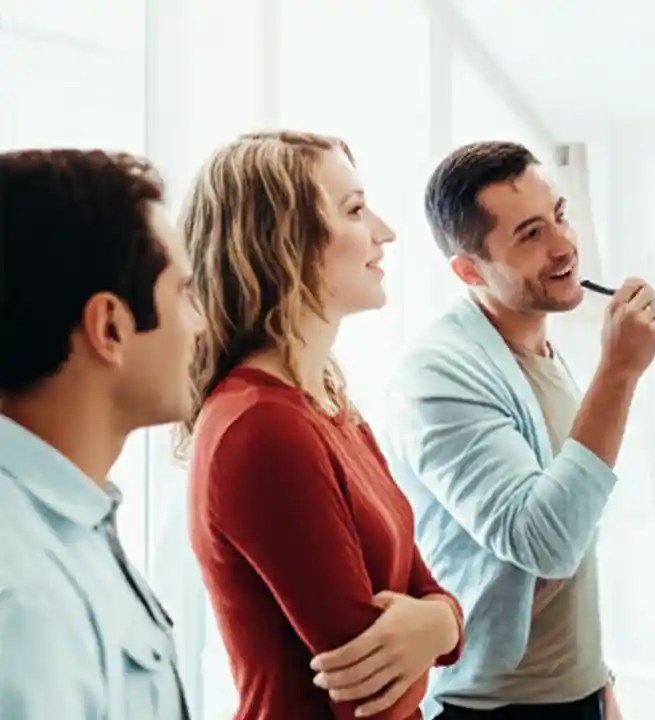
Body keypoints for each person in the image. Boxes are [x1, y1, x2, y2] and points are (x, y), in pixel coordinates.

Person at [181, 130, 464, 720]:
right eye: (355, 210)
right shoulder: (262, 429)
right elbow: (371, 694)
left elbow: (430, 593)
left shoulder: (330, 406)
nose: (384, 233)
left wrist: (440, 625)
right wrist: (436, 629)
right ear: (283, 241)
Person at [380, 141, 655, 720]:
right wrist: (619, 371)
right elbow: (545, 542)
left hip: (574, 694)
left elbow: (577, 524)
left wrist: (595, 678)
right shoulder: (438, 372)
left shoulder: (545, 351)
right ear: (468, 269)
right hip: (493, 708)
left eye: (559, 215)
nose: (564, 245)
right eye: (530, 235)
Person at [0, 149, 199, 718]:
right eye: (185, 294)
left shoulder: (70, 526)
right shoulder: (26, 594)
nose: (201, 323)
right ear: (110, 326)